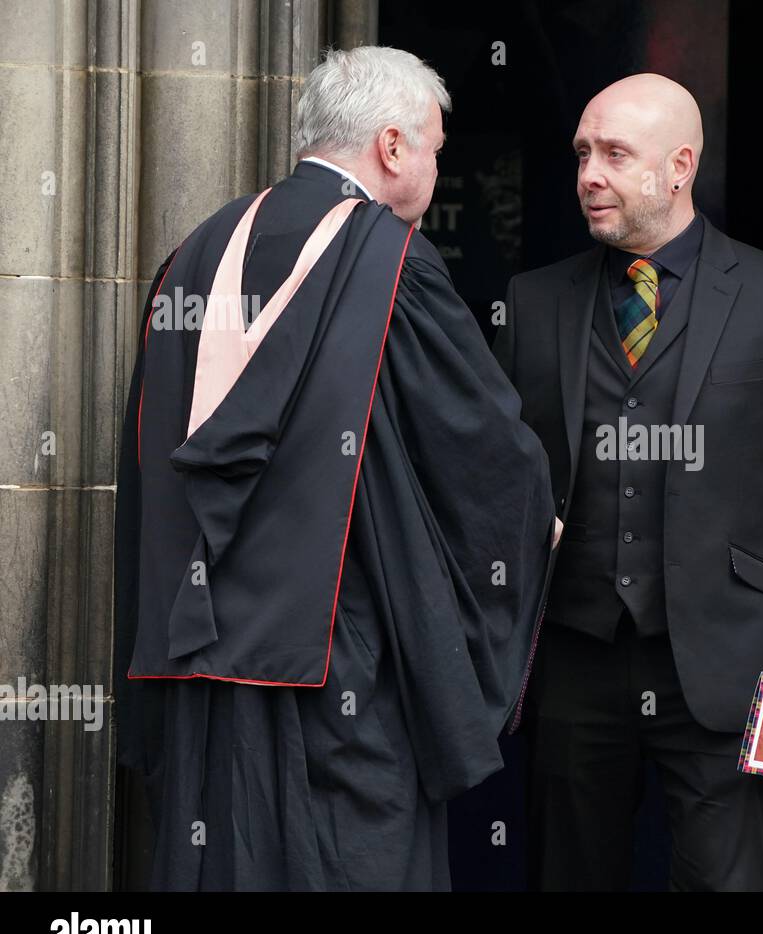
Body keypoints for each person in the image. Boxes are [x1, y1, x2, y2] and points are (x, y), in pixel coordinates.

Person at [112, 46, 555, 890]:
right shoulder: (388, 260)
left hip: (196, 661)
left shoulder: (191, 257)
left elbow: (143, 470)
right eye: (431, 146)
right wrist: (542, 525)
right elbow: (485, 454)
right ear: (392, 147)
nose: (432, 166)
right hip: (339, 668)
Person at [494, 73, 763, 891]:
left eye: (614, 155)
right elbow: (496, 474)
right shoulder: (533, 303)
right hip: (576, 658)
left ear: (679, 166)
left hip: (728, 658)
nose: (588, 174)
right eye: (583, 153)